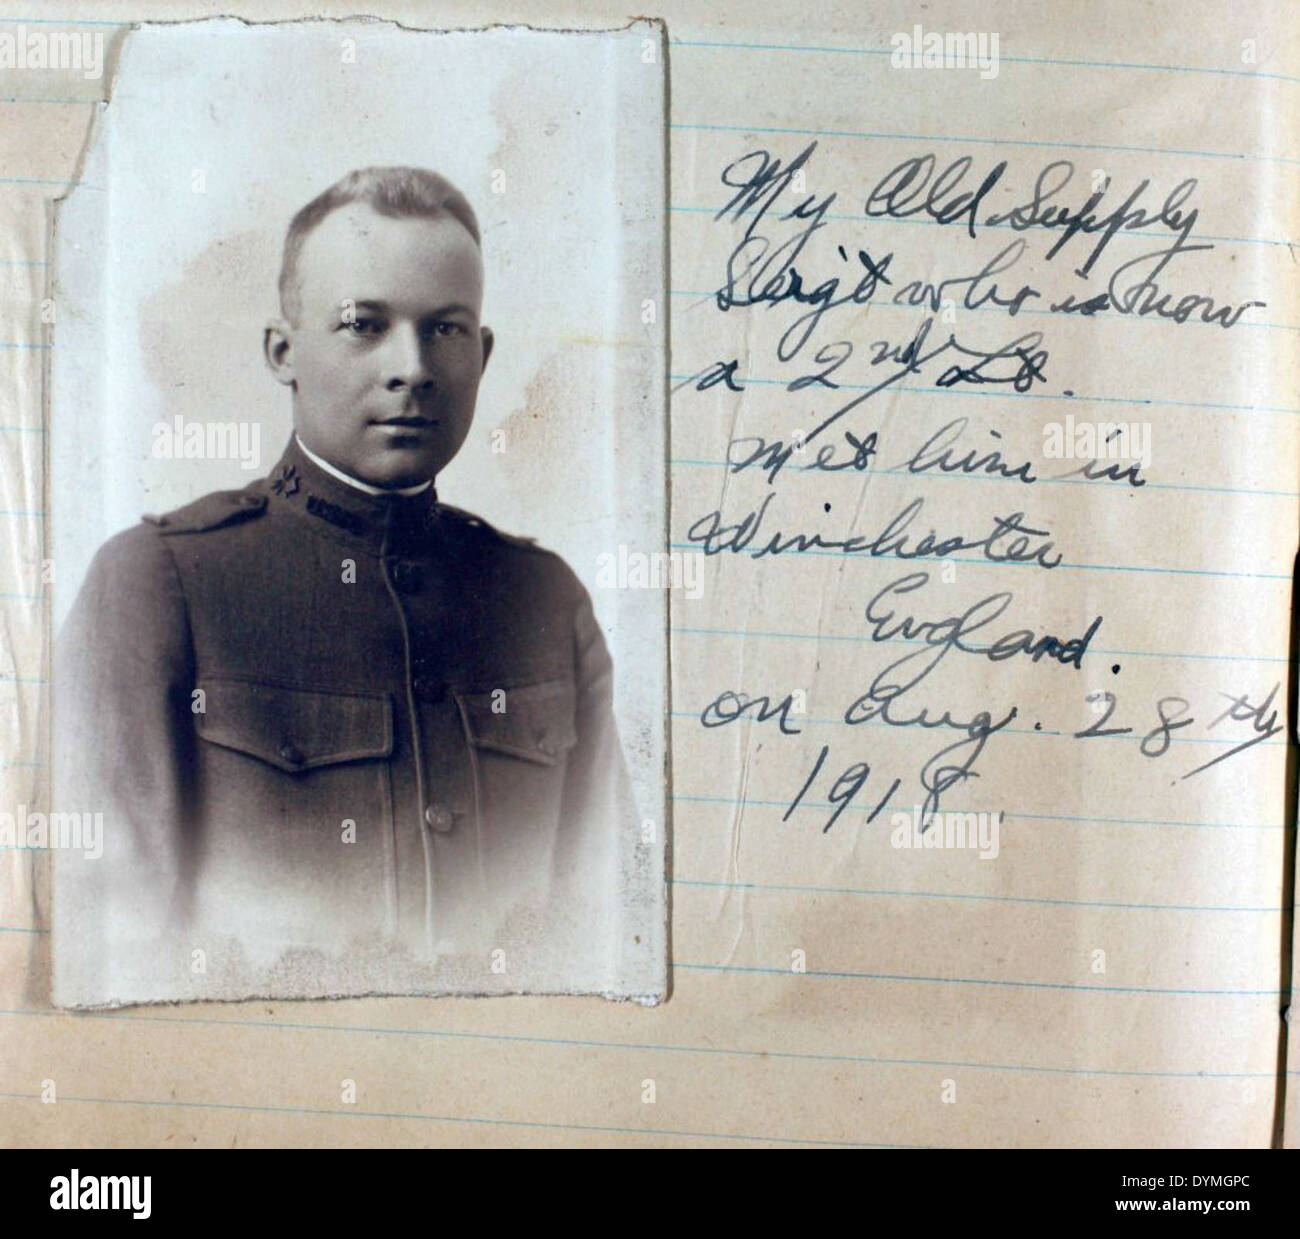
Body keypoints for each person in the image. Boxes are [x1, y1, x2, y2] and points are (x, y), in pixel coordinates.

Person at [52, 166, 645, 1006]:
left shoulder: (545, 600)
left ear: (481, 356)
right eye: (364, 325)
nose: (413, 368)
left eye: (445, 330)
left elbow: (609, 938)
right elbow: (112, 957)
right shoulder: (158, 582)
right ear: (282, 352)